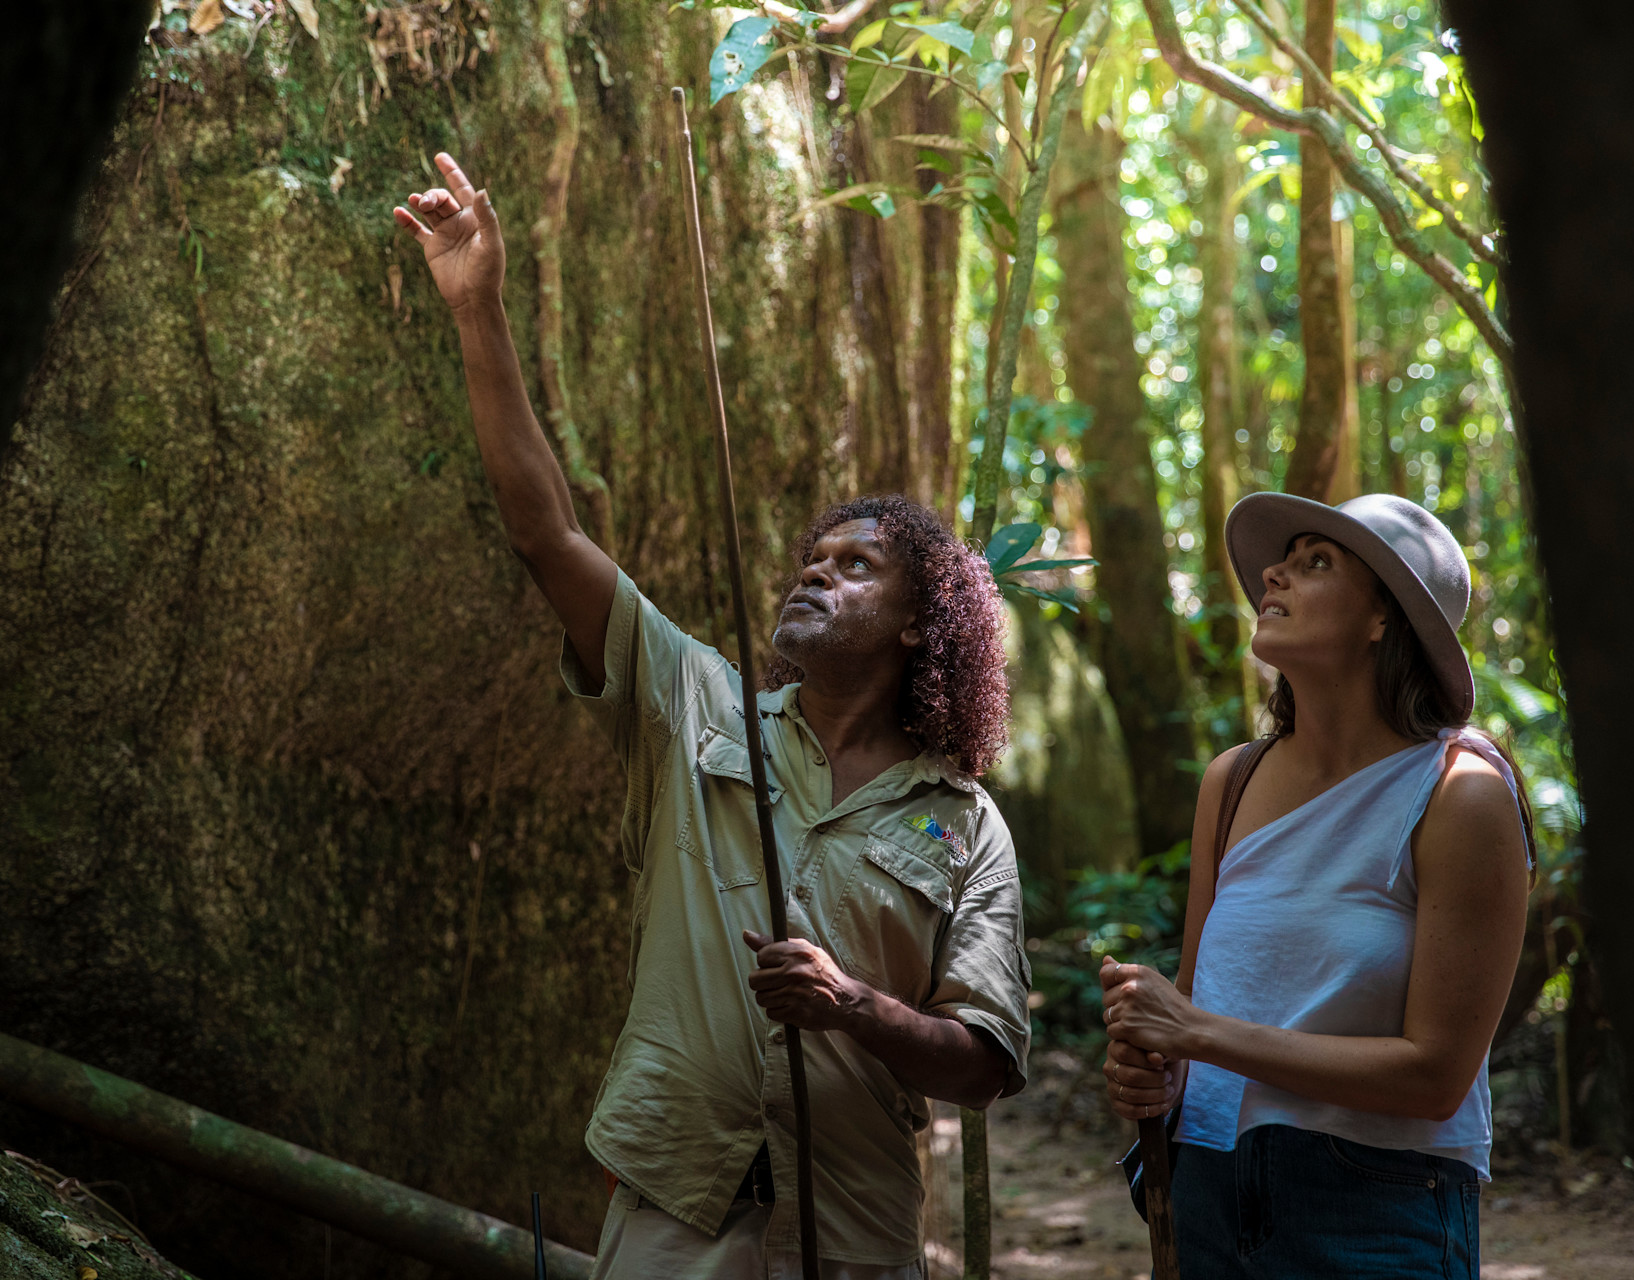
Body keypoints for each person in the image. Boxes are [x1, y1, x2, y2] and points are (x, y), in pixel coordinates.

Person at [393, 154, 1031, 1280]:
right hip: (678, 1208)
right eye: (809, 559)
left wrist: (854, 1004)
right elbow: (547, 533)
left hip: (854, 1228)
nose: (814, 576)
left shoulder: (966, 823)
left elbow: (982, 1060)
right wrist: (479, 309)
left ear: (922, 626)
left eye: (855, 566)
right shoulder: (692, 699)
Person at [1097, 492, 1534, 1277]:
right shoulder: (1232, 781)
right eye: (1283, 558)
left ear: (1383, 619)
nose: (1273, 573)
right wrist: (1152, 1068)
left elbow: (1438, 1075)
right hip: (1206, 1186)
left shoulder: (1457, 793)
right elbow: (1194, 1017)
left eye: (1315, 562)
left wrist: (1194, 1031)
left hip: (1372, 1204)